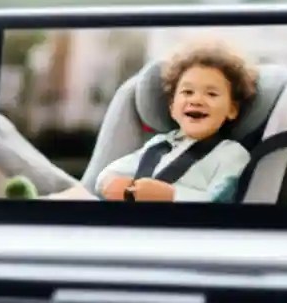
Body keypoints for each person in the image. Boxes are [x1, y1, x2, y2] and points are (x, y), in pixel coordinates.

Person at [94, 40, 256, 202]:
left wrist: (172, 196)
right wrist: (111, 184)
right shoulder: (158, 144)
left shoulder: (231, 154)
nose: (196, 100)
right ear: (172, 107)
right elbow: (109, 174)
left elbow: (219, 198)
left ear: (232, 109)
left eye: (211, 94)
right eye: (188, 92)